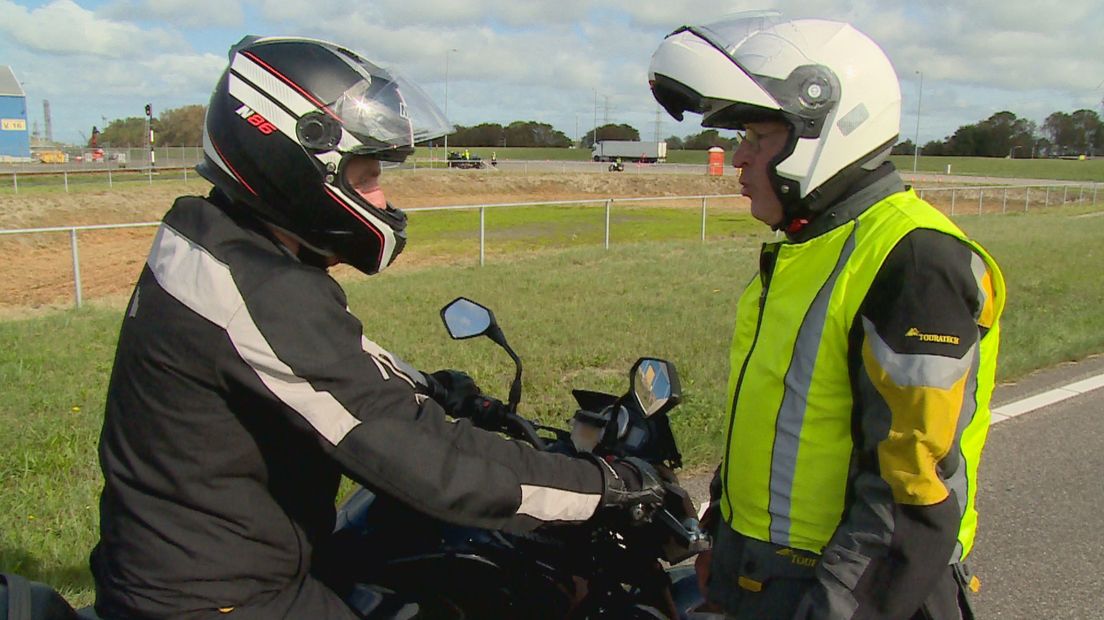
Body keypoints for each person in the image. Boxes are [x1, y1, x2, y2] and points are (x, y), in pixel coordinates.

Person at [90, 35, 663, 620]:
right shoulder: (261, 290)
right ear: (293, 160)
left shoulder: (216, 239)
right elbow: (423, 461)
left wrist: (433, 387)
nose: (382, 198)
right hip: (215, 600)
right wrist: (603, 487)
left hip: (187, 567)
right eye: (365, 178)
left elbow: (334, 367)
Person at [649, 14, 1005, 619]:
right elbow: (776, 423)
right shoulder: (807, 248)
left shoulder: (915, 262)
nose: (736, 158)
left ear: (823, 132)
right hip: (765, 578)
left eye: (755, 139)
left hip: (851, 591)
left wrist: (833, 609)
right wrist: (723, 538)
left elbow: (909, 493)